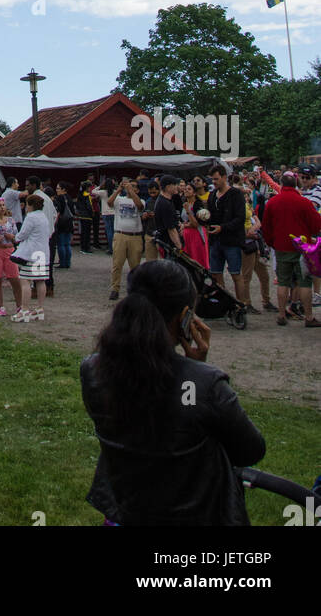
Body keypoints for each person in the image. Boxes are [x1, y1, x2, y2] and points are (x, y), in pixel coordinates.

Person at [80, 259, 266, 526]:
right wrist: (198, 370)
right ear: (185, 317)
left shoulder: (93, 371)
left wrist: (195, 374)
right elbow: (249, 450)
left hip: (127, 512)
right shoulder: (204, 383)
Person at [260, 173, 321, 327]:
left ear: (281, 184)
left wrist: (272, 243)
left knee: (283, 282)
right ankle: (308, 317)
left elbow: (266, 227)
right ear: (296, 184)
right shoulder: (304, 202)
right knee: (305, 283)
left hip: (281, 246)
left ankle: (281, 315)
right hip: (302, 247)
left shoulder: (272, 202)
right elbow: (316, 225)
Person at [207, 164, 247, 304]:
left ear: (224, 177)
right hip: (215, 240)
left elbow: (240, 218)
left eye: (216, 179)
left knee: (236, 274)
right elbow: (211, 217)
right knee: (216, 274)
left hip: (231, 241)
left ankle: (240, 305)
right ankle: (222, 303)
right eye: (212, 179)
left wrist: (222, 228)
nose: (214, 182)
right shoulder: (212, 196)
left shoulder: (236, 195)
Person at [13, 193, 51, 322]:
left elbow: (23, 234)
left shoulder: (31, 217)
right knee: (40, 280)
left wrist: (15, 238)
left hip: (31, 253)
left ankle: (24, 310)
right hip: (43, 252)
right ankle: (39, 308)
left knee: (25, 280)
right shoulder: (43, 217)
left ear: (30, 205)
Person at [107, 177, 144, 300]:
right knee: (117, 264)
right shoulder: (119, 199)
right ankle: (115, 288)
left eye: (134, 186)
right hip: (120, 234)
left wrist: (131, 191)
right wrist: (118, 190)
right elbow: (109, 202)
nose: (130, 187)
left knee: (135, 265)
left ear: (137, 190)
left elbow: (139, 206)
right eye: (129, 185)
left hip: (135, 236)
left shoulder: (141, 200)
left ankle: (135, 289)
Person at [298, 166, 321, 304]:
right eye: (302, 177)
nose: (304, 180)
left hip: (314, 232)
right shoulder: (302, 191)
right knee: (305, 264)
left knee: (315, 263)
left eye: (307, 177)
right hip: (304, 231)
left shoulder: (318, 190)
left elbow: (311, 207)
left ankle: (317, 293)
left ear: (314, 178)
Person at [181, 182, 210, 270]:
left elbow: (196, 224)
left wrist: (188, 211)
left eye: (189, 189)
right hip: (186, 234)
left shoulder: (197, 204)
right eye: (185, 189)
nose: (186, 190)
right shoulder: (184, 203)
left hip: (196, 234)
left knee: (197, 258)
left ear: (194, 193)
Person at [153, 173, 182, 251]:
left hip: (167, 242)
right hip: (168, 244)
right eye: (175, 184)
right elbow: (171, 229)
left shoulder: (168, 201)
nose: (177, 187)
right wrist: (179, 248)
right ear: (168, 187)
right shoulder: (164, 204)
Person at [54, 182, 74, 269]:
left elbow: (58, 212)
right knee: (67, 244)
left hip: (61, 223)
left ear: (63, 189)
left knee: (61, 244)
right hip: (69, 222)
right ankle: (68, 262)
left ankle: (62, 263)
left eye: (58, 188)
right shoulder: (69, 198)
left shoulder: (59, 198)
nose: (56, 190)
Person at [141, 180, 160, 261]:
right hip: (149, 233)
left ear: (159, 190)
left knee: (164, 261)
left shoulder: (163, 200)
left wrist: (156, 215)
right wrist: (144, 216)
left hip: (161, 235)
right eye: (150, 191)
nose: (152, 192)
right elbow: (142, 217)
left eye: (154, 191)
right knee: (150, 261)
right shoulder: (148, 201)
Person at [75, 182, 94, 253]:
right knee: (87, 233)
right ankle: (87, 248)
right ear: (87, 188)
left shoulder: (79, 195)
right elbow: (89, 206)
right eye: (89, 187)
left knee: (83, 232)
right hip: (87, 216)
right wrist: (92, 213)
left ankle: (82, 247)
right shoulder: (87, 196)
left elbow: (77, 205)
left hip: (81, 216)